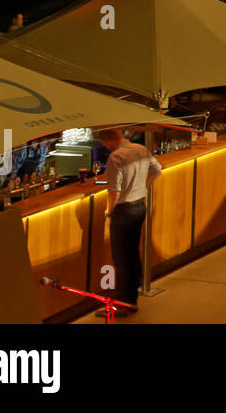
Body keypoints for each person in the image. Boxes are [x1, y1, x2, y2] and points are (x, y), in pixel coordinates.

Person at [98, 128, 162, 314]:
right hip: (139, 207)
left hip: (124, 211)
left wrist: (109, 211)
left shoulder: (115, 157)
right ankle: (132, 297)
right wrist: (143, 187)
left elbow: (114, 191)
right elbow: (157, 171)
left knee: (121, 259)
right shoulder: (140, 149)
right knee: (132, 254)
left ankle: (123, 304)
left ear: (108, 140)